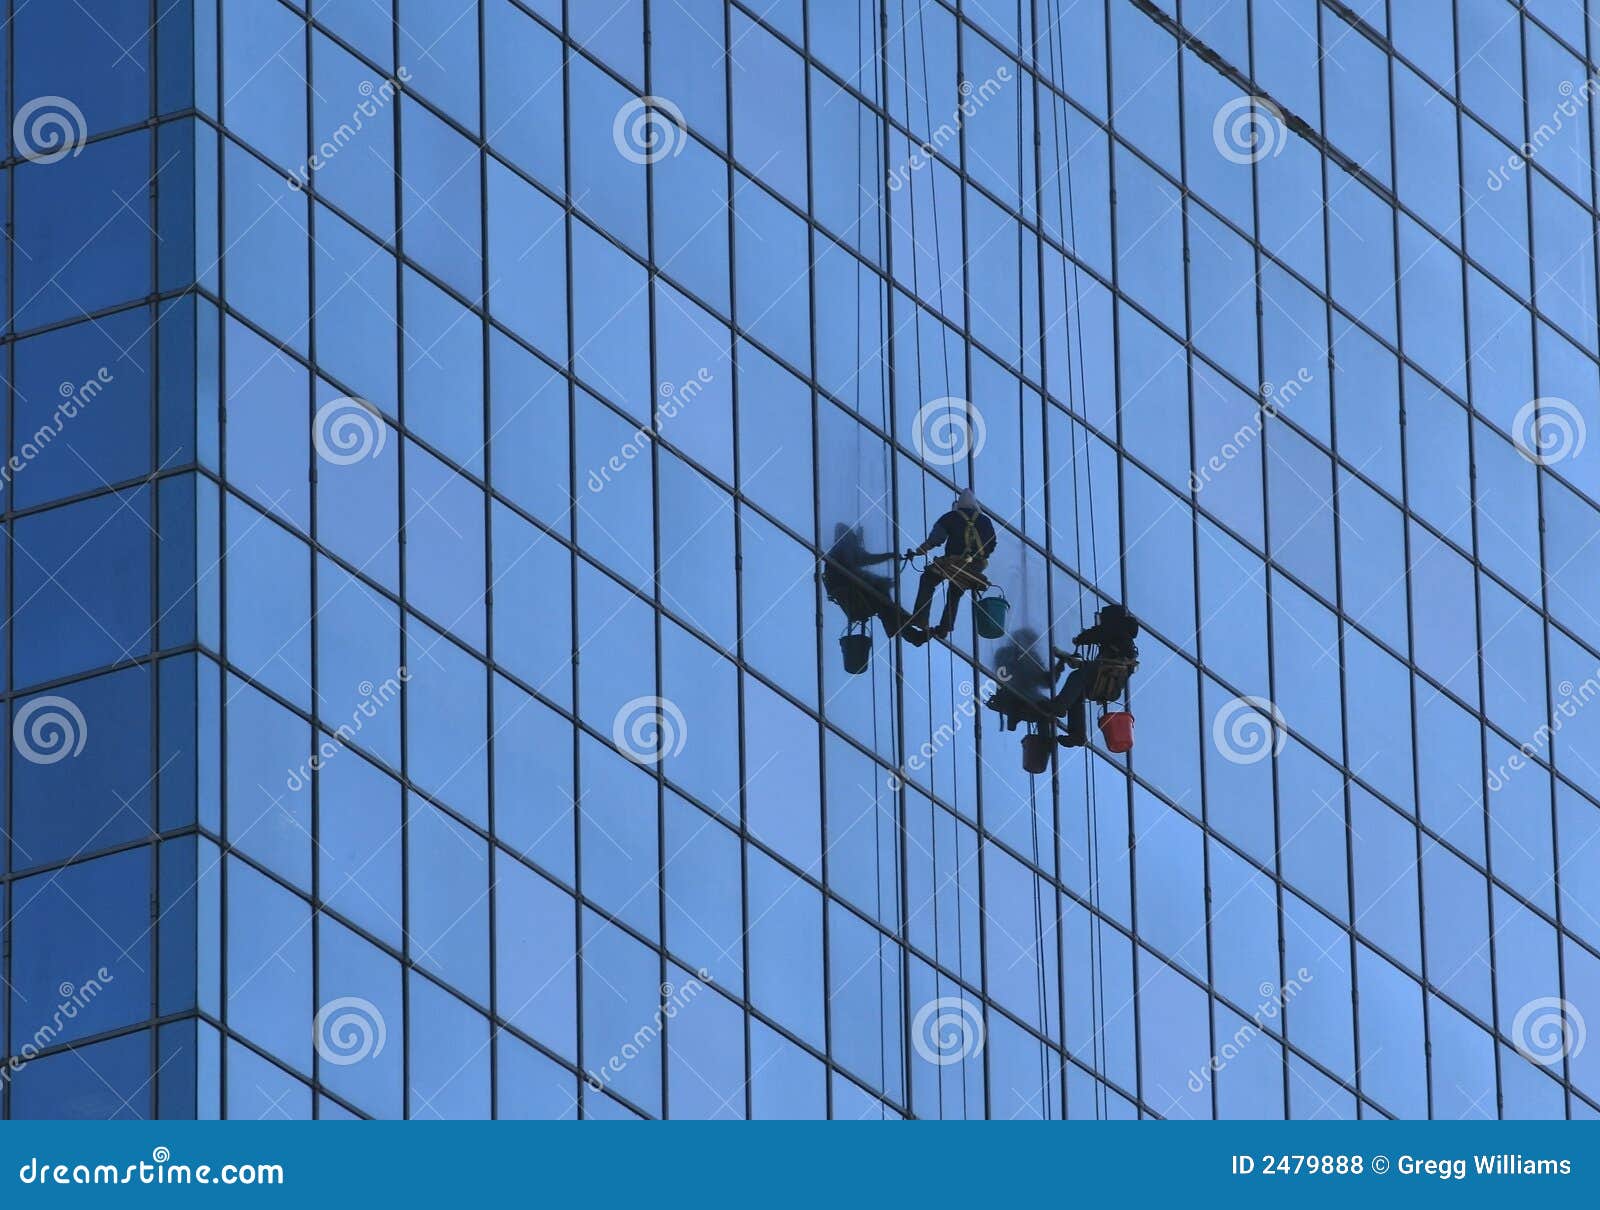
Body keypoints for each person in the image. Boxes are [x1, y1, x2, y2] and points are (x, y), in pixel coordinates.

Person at [905, 489, 997, 639]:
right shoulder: (985, 520)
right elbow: (992, 543)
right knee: (955, 591)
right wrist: (980, 555)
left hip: (955, 561)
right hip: (977, 565)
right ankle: (945, 628)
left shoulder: (951, 517)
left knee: (928, 578)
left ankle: (920, 618)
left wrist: (922, 549)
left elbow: (937, 538)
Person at [1047, 603, 1140, 747]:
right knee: (1077, 694)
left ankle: (1060, 705)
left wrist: (1080, 639)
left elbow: (1097, 634)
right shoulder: (1125, 635)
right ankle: (1077, 735)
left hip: (1106, 672)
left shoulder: (1116, 628)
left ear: (1110, 618)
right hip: (1110, 683)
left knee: (1076, 677)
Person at [823, 523, 928, 646]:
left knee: (883, 604)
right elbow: (858, 565)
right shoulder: (845, 547)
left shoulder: (841, 548)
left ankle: (907, 631)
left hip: (849, 591)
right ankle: (905, 625)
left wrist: (888, 560)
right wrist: (881, 577)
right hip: (849, 591)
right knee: (884, 601)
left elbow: (863, 562)